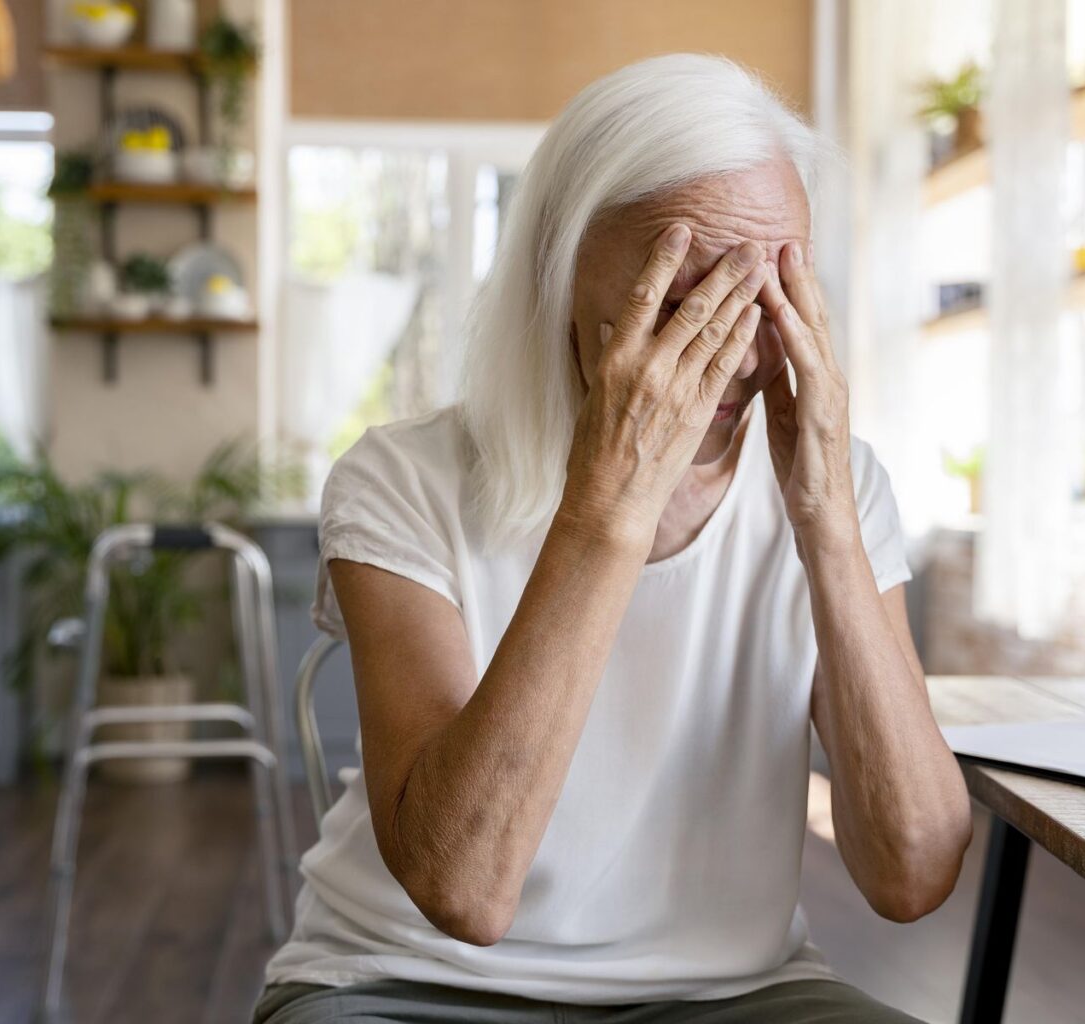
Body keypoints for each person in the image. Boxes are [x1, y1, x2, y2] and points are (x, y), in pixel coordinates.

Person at [257, 53, 972, 1024]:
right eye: (686, 305)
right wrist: (608, 509)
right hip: (410, 981)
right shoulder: (400, 479)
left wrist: (829, 526)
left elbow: (913, 872)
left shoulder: (842, 490)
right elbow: (462, 886)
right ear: (559, 270)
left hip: (732, 991)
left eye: (766, 303)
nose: (734, 355)